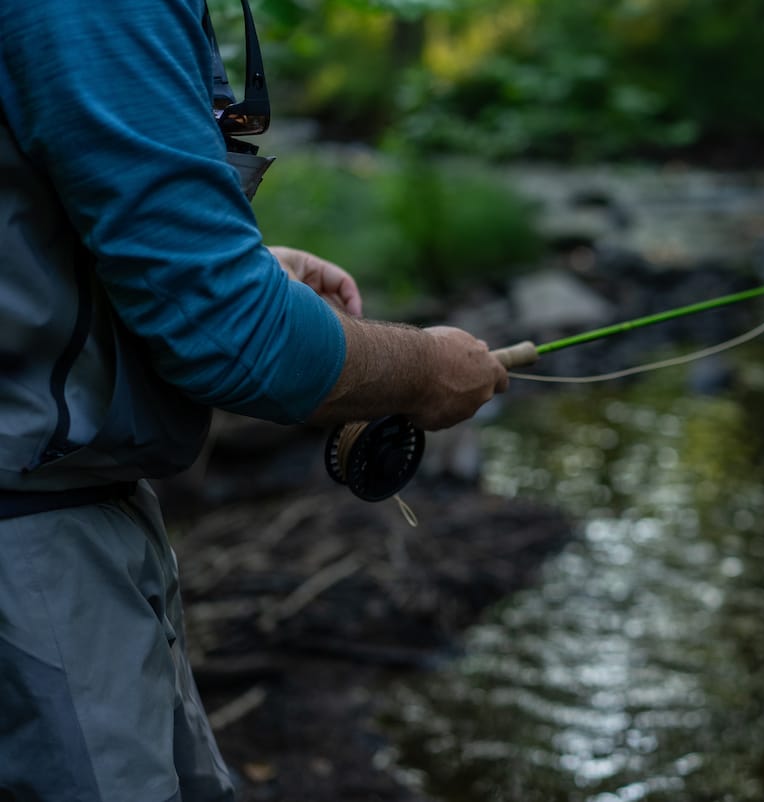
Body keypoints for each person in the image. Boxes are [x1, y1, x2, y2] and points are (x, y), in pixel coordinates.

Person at [0, 0, 509, 799]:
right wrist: (428, 367)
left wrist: (227, 264)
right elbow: (235, 338)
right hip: (32, 557)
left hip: (68, 517)